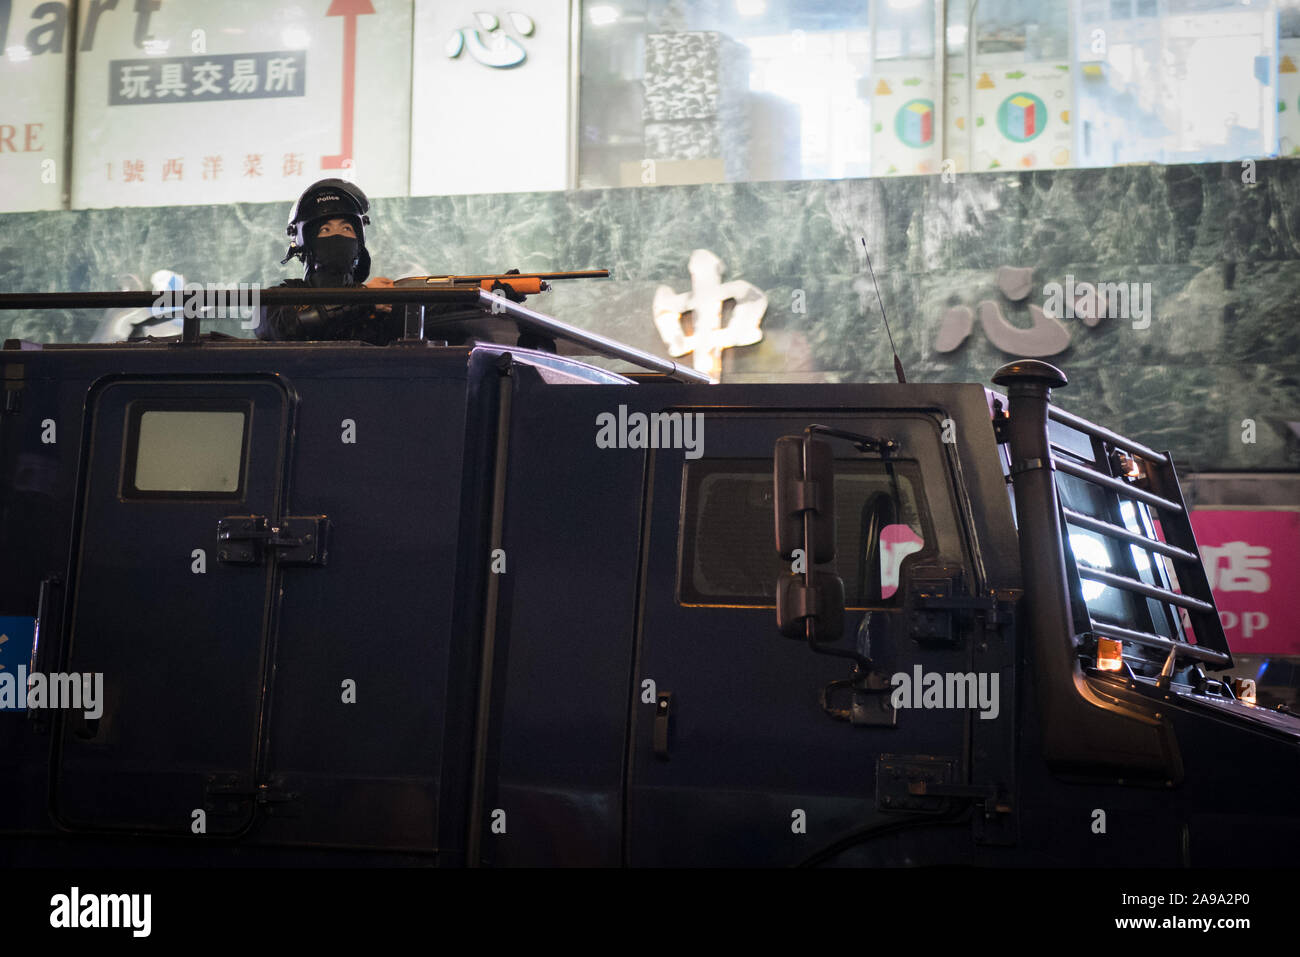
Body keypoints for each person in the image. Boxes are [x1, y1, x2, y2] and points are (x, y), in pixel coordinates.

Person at [254, 178, 401, 344]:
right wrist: (363, 299)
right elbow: (284, 329)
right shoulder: (278, 299)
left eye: (347, 228)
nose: (337, 236)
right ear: (306, 241)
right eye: (325, 229)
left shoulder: (380, 303)